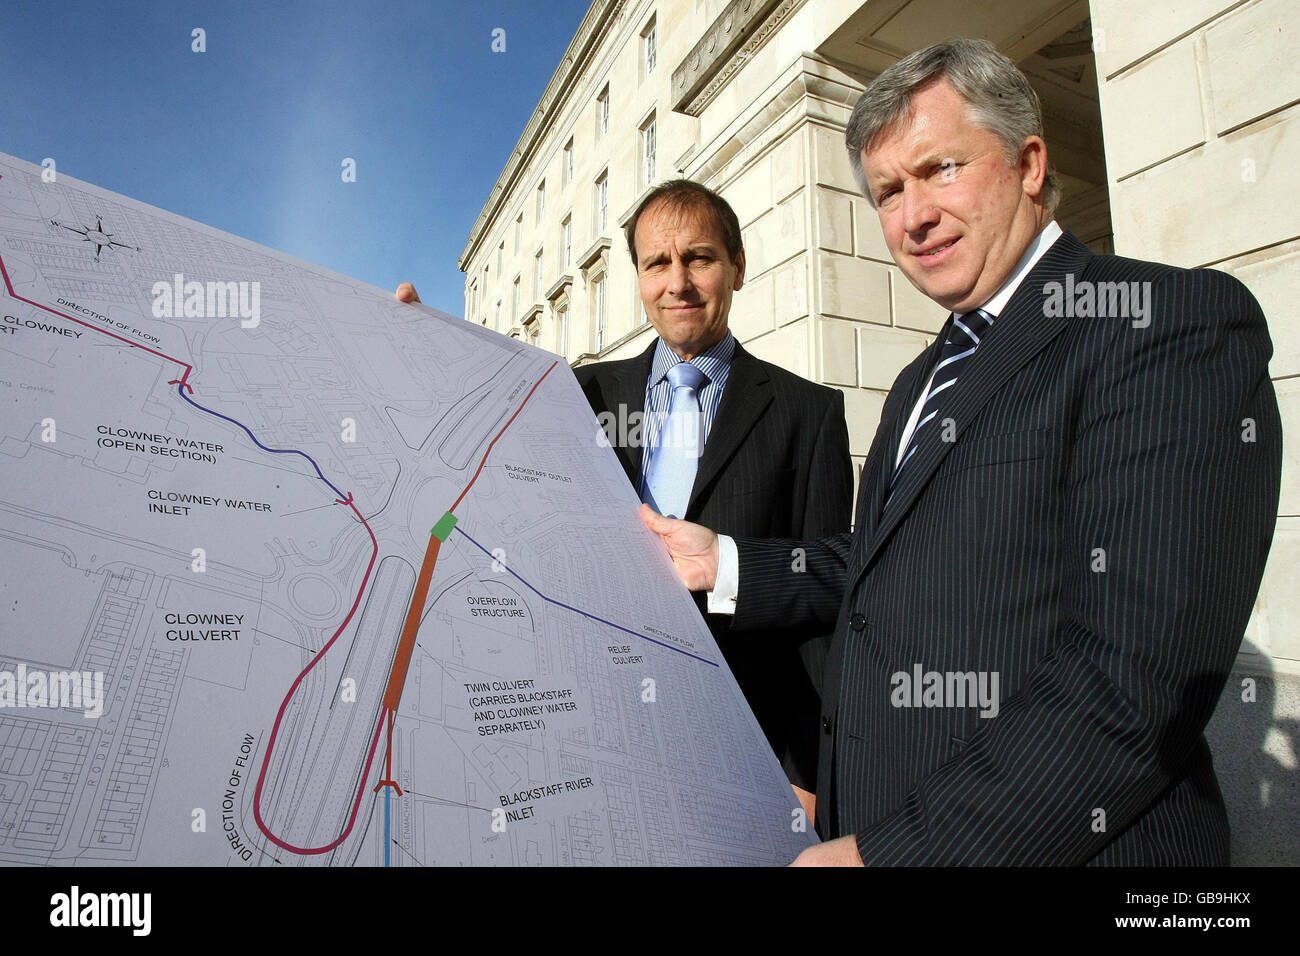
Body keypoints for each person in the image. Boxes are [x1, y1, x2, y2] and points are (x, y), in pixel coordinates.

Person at [640, 37, 1282, 865]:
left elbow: (1131, 682)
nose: (912, 217)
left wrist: (893, 856)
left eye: (940, 168)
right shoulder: (919, 379)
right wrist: (723, 564)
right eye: (887, 192)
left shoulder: (1162, 326)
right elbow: (882, 568)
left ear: (1029, 163)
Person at [398, 180, 853, 822]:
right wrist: (417, 346)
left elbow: (826, 599)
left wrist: (807, 775)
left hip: (746, 745)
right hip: (596, 730)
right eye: (656, 264)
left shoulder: (808, 412)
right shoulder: (579, 394)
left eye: (698, 257)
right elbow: (480, 444)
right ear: (637, 278)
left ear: (737, 266)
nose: (678, 283)